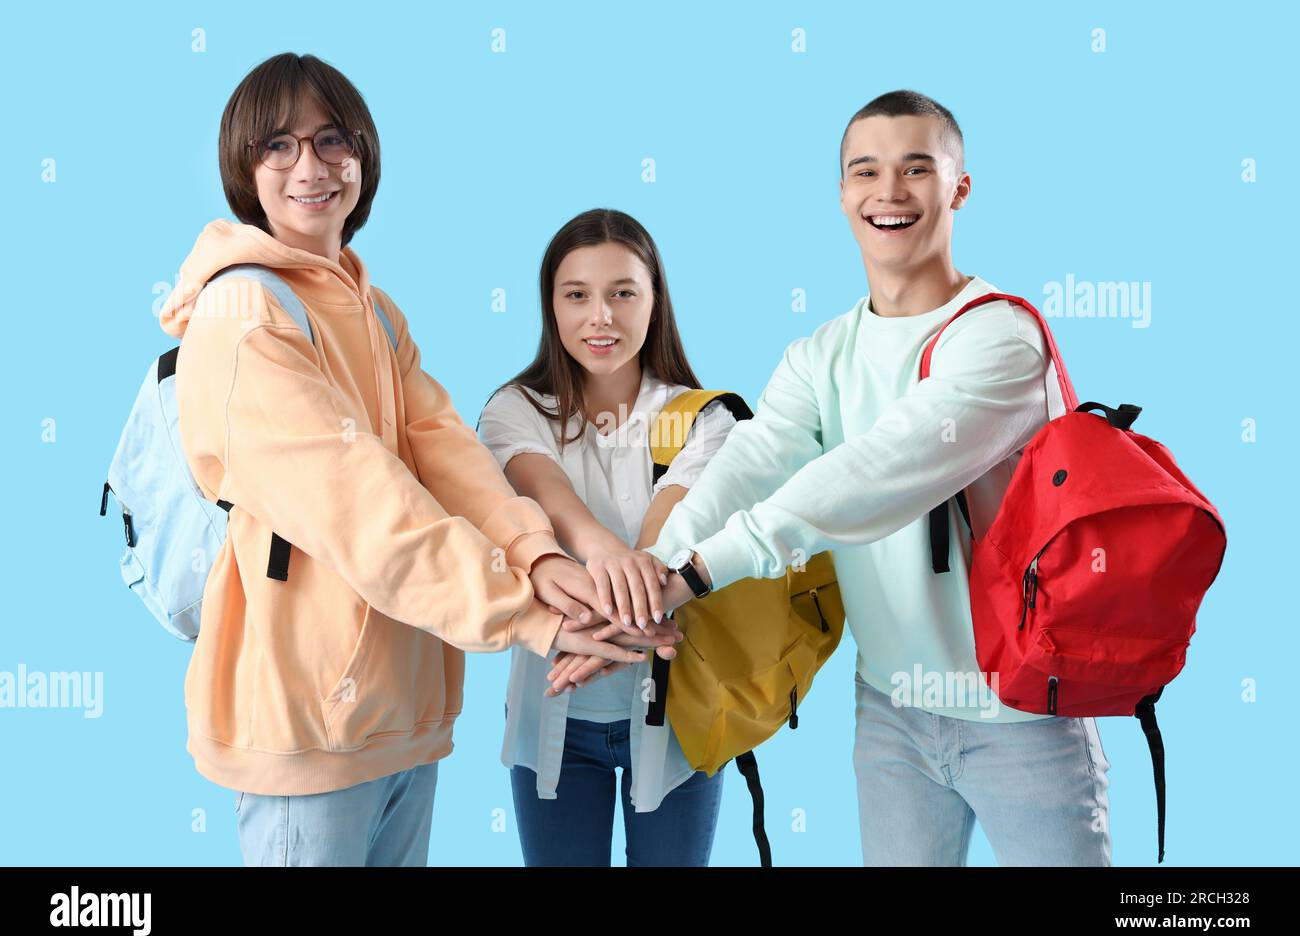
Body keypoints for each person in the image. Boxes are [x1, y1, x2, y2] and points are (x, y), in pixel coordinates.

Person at [551, 90, 1112, 867]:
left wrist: (696, 574)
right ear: (843, 193)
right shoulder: (820, 354)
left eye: (918, 168)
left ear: (960, 187)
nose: (890, 192)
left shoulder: (1001, 338)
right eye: (866, 171)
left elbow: (871, 476)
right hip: (890, 711)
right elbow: (746, 467)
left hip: (1021, 715)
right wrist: (655, 579)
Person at [158, 53, 674, 867]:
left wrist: (537, 557)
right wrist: (529, 613)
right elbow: (361, 505)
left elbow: (445, 455)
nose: (312, 167)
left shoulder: (374, 309)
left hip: (399, 717)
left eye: (333, 140)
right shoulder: (246, 312)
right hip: (309, 724)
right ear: (242, 167)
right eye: (278, 147)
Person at [477, 209, 736, 866]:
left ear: (655, 301)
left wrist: (630, 582)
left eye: (624, 292)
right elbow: (551, 502)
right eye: (577, 295)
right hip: (552, 716)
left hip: (681, 715)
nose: (601, 317)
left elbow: (663, 545)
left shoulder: (706, 417)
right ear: (551, 305)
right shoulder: (513, 410)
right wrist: (612, 558)